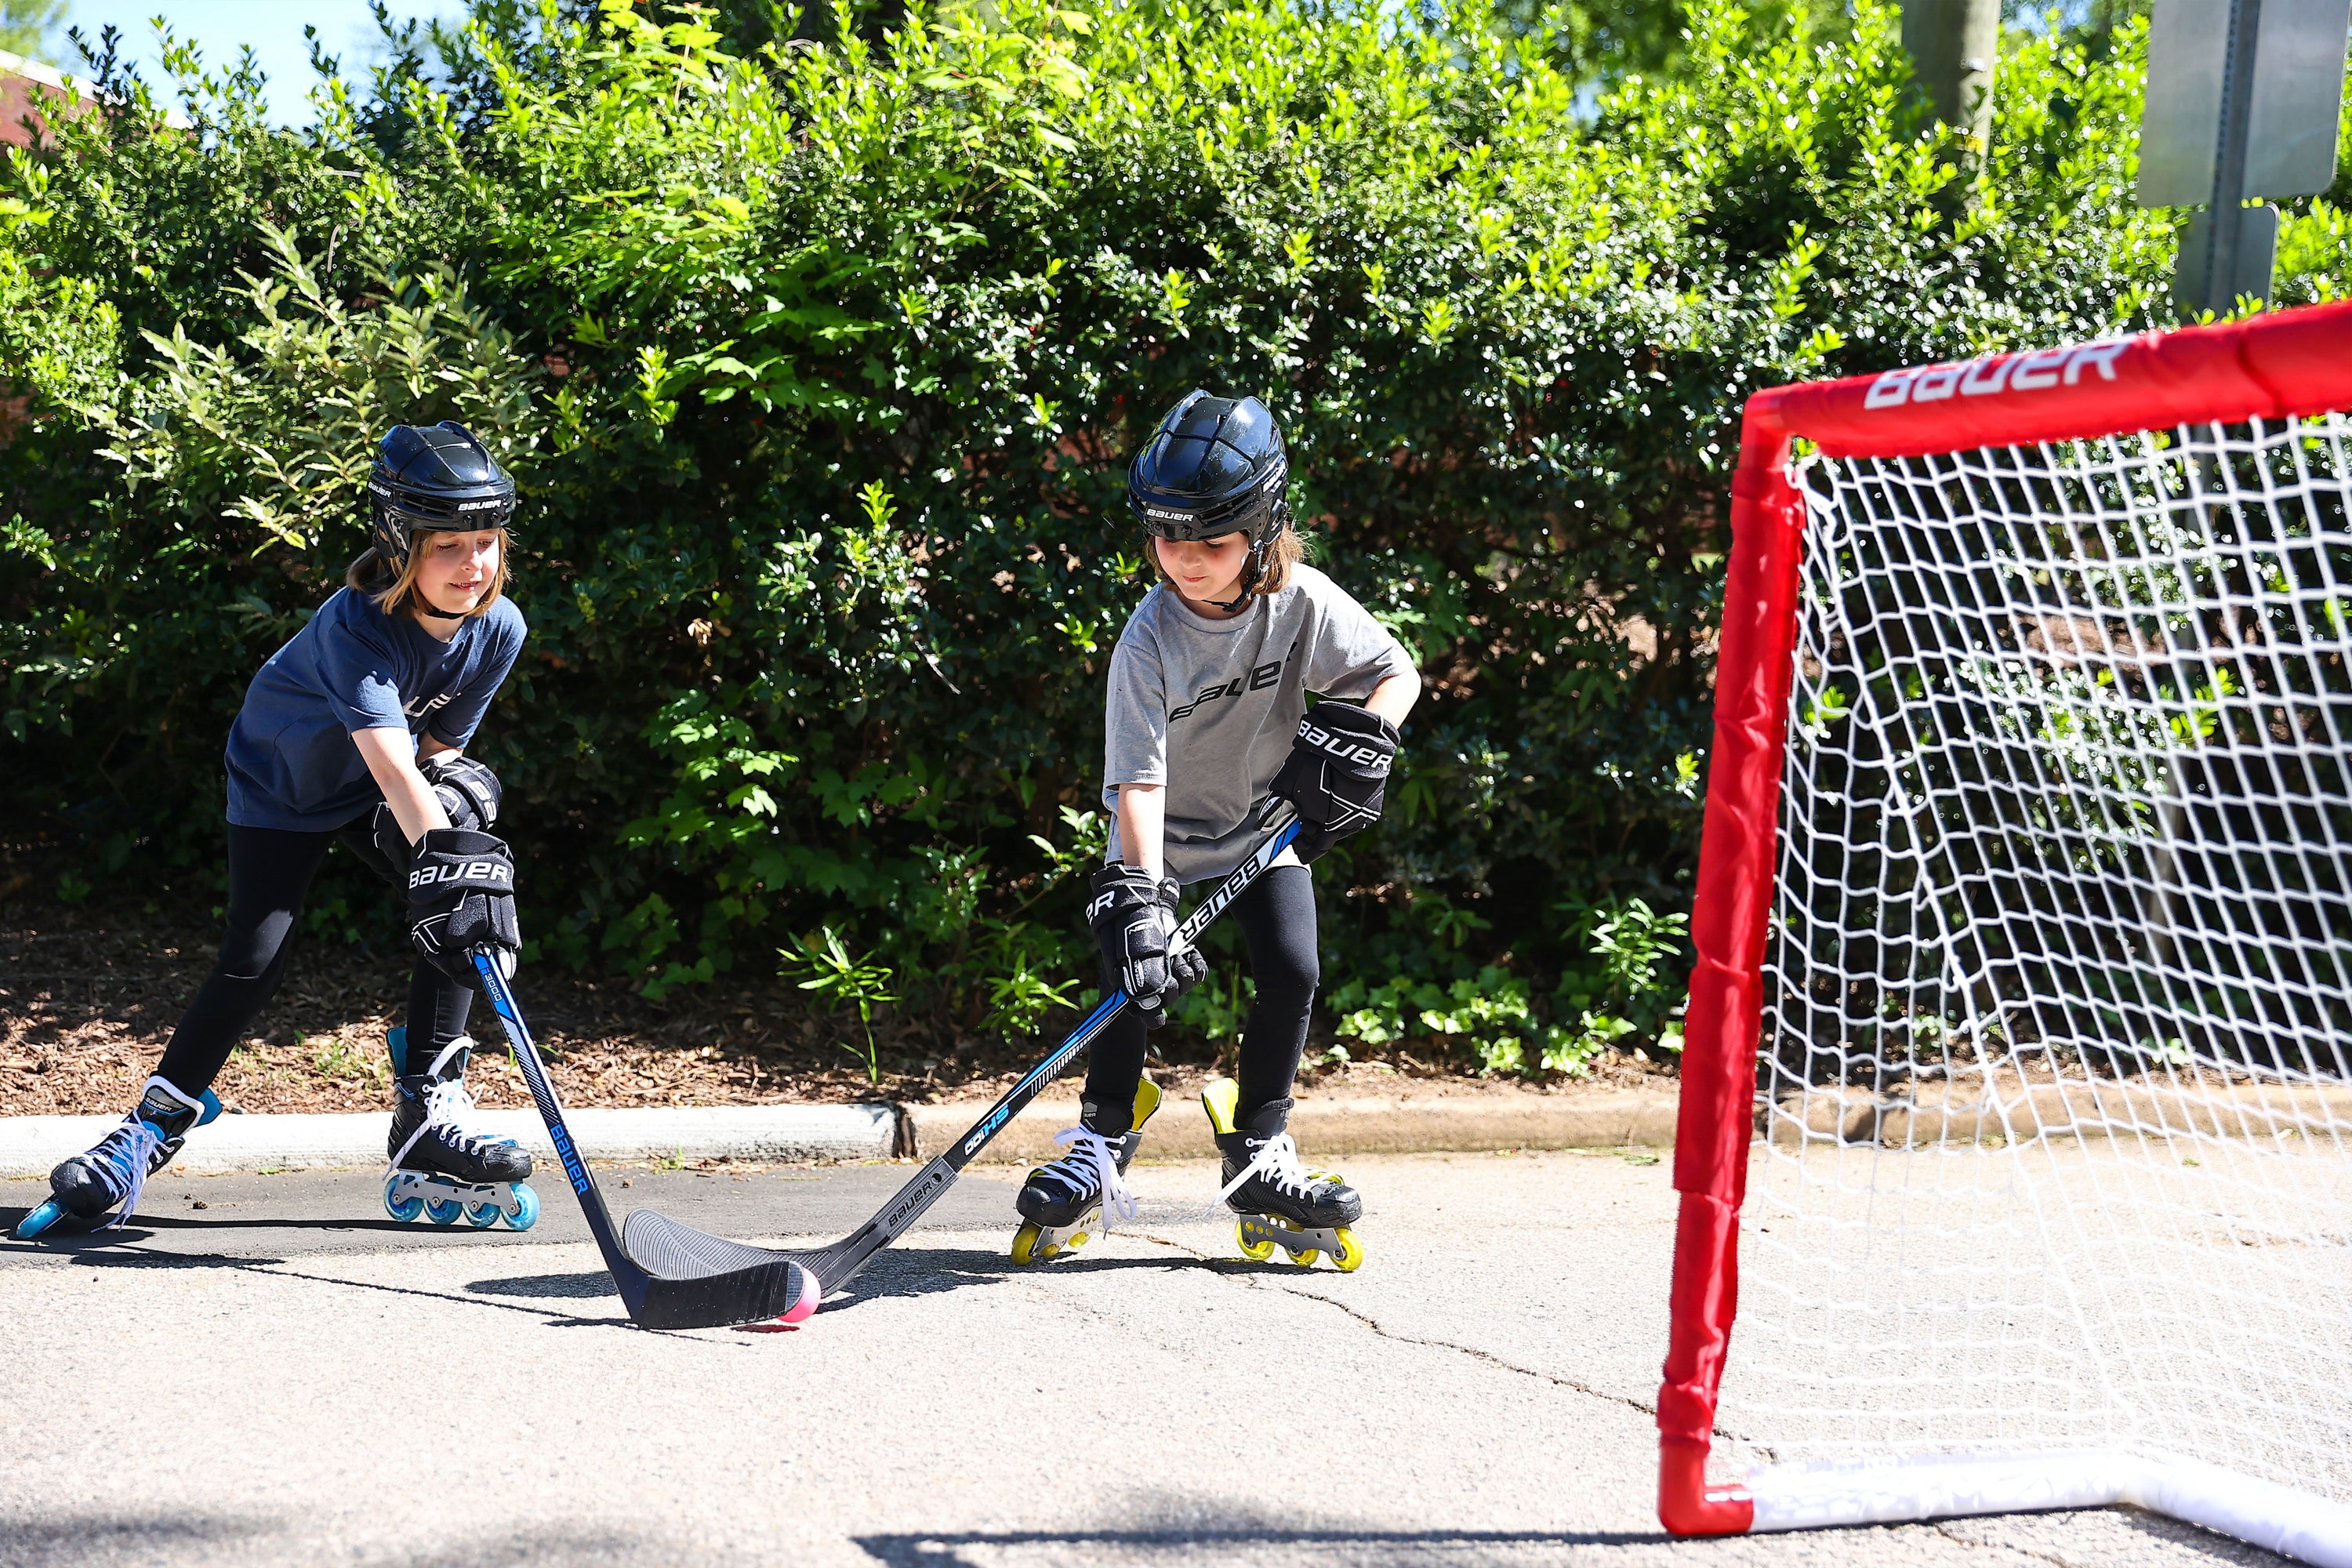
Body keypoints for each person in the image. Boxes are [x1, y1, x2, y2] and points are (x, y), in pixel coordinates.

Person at [14, 422, 539, 1240]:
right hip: (282, 787)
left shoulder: (499, 626)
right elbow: (399, 773)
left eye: (486, 542)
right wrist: (451, 866)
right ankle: (149, 1128)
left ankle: (430, 1107)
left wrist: (456, 870)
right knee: (255, 958)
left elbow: (435, 754)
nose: (474, 565)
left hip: (371, 784)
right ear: (400, 545)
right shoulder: (355, 630)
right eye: (449, 547)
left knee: (454, 904)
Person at [1008, 390, 1419, 1271]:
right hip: (1159, 835)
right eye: (1167, 540)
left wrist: (1366, 739)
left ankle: (1259, 1144)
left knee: (1294, 969)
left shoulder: (1301, 602)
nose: (1185, 562)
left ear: (1263, 531)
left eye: (1211, 544)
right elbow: (1139, 781)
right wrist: (1145, 896)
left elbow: (1397, 671)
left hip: (1262, 827)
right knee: (1135, 977)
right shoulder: (1148, 638)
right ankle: (1104, 1134)